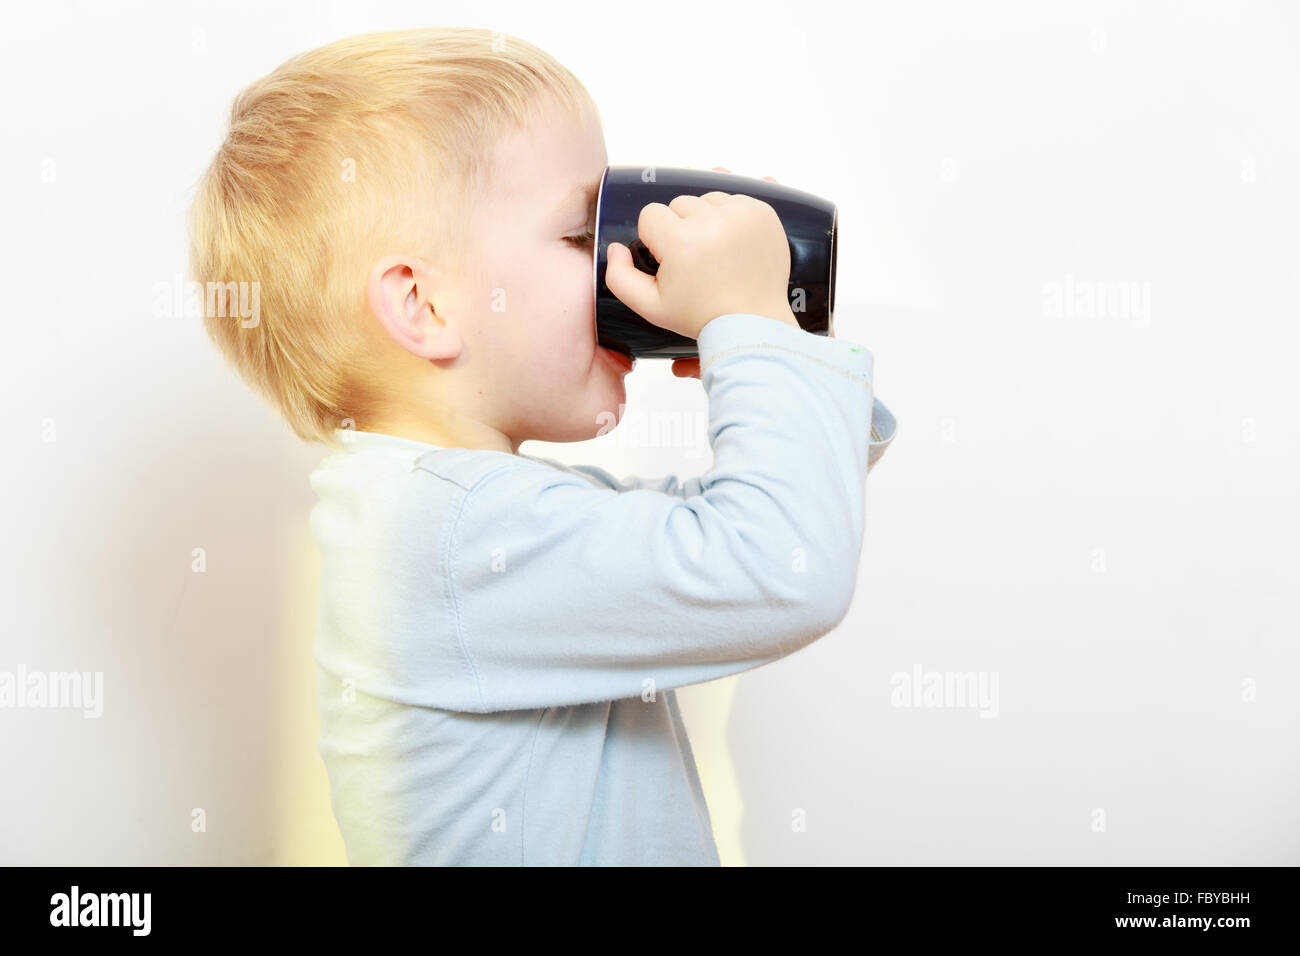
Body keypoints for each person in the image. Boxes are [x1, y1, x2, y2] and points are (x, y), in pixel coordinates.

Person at [188, 26, 897, 865]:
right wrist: (754, 334)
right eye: (578, 235)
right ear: (425, 306)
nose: (616, 261)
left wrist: (764, 332)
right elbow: (779, 565)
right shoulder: (452, 538)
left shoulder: (455, 516)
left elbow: (758, 514)